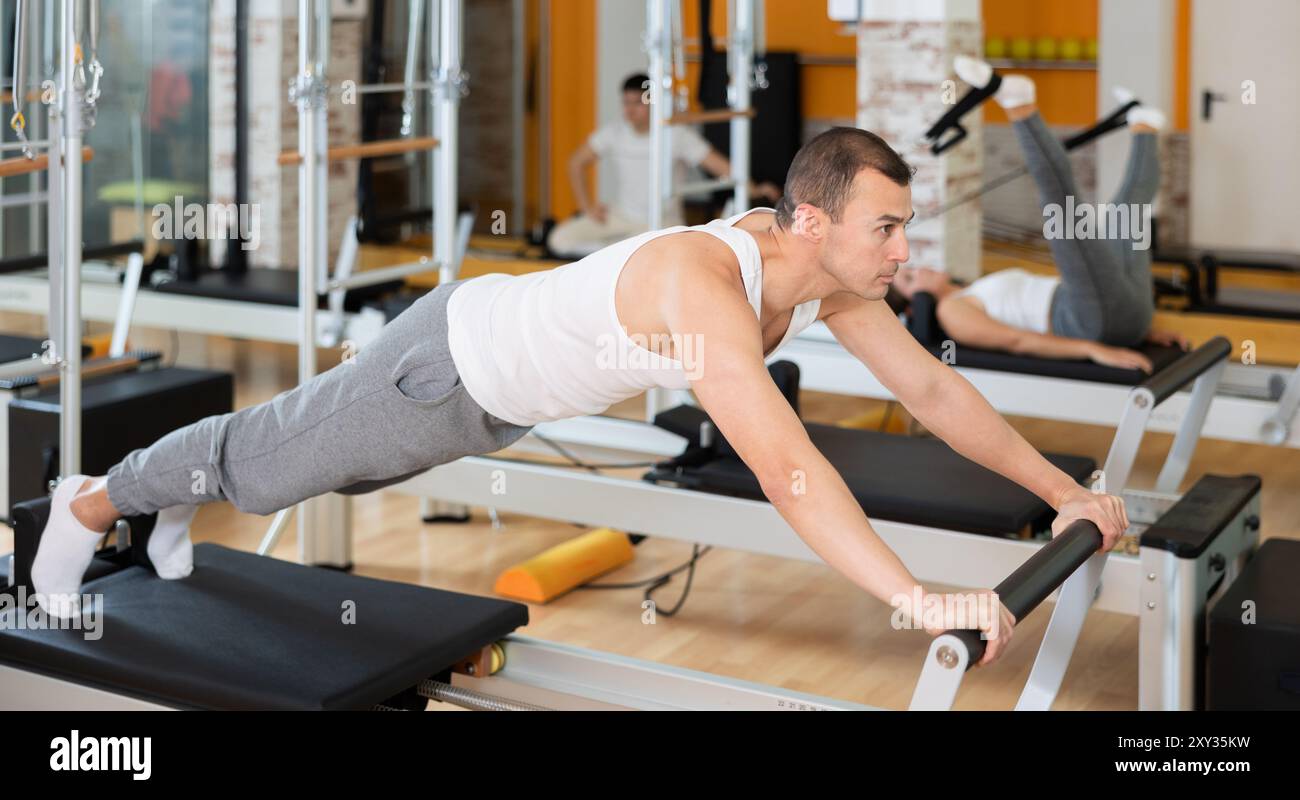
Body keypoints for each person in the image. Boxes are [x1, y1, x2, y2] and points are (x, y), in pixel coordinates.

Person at [36, 127, 1129, 668]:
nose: (905, 248)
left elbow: (932, 389)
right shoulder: (709, 284)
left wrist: (1062, 490)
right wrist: (915, 597)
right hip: (447, 367)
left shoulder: (825, 280)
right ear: (811, 220)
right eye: (886, 226)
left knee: (297, 459)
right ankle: (93, 502)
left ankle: (174, 491)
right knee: (268, 460)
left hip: (494, 389)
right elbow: (789, 468)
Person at [894, 58, 1188, 371]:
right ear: (915, 307)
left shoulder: (971, 289)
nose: (920, 269)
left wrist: (1137, 333)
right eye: (911, 279)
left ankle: (1145, 127)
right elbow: (1016, 341)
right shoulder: (951, 312)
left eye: (910, 268)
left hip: (1122, 316)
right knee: (1062, 213)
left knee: (1126, 212)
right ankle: (1019, 105)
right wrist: (1091, 349)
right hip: (1086, 320)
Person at [547, 72, 780, 257]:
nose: (630, 109)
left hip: (662, 221)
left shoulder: (675, 134)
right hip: (621, 217)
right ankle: (615, 255)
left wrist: (754, 189)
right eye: (626, 103)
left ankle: (619, 253)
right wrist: (587, 206)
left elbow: (719, 165)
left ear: (652, 104)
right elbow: (576, 163)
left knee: (656, 250)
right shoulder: (614, 132)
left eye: (637, 103)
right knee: (560, 239)